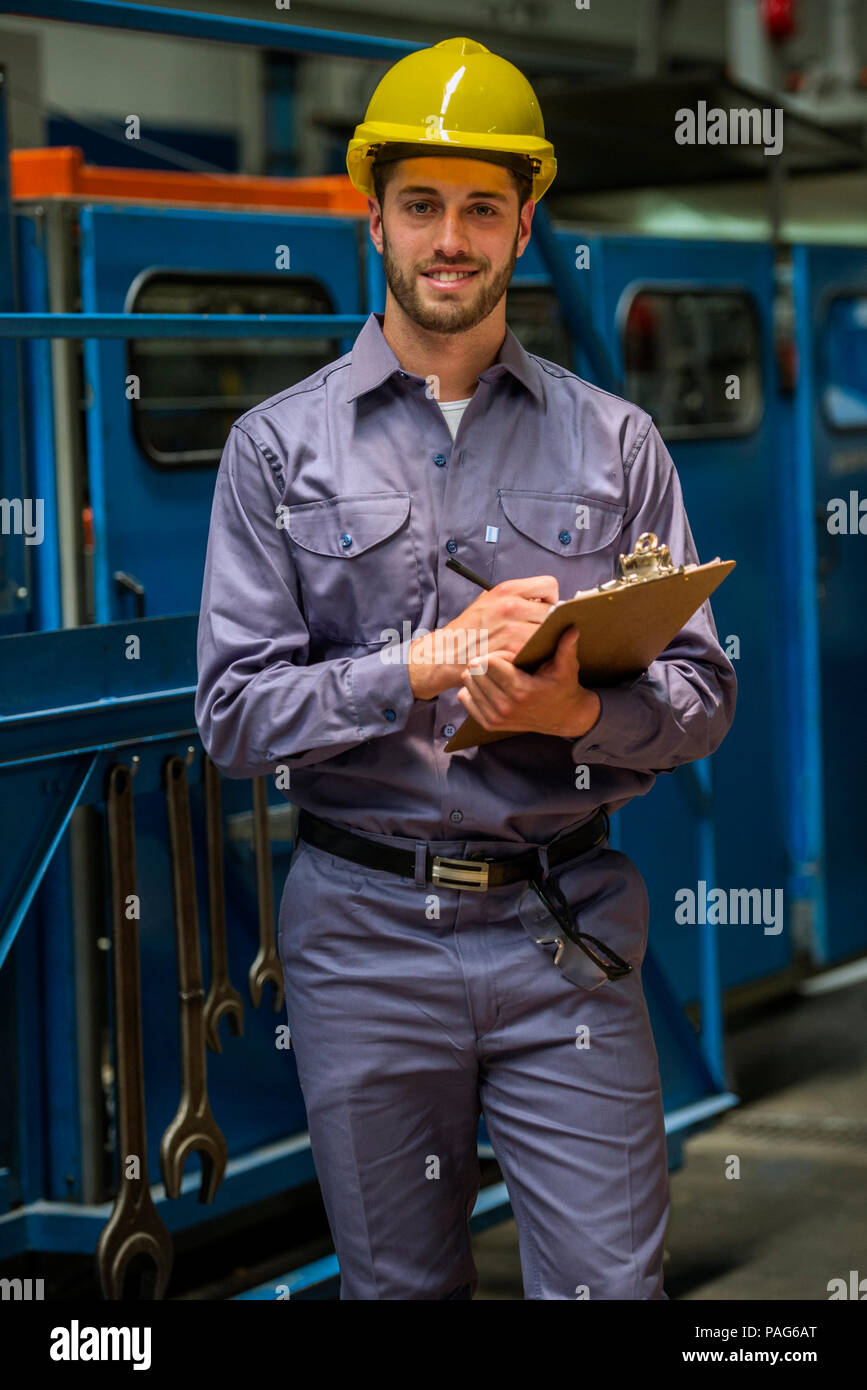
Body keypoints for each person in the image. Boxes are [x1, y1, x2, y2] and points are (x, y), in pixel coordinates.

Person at [195, 37, 737, 1300]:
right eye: (424, 205)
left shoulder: (618, 442)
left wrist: (580, 710)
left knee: (611, 1288)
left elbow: (703, 696)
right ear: (374, 213)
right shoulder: (276, 452)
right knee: (397, 1291)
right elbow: (232, 715)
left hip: (565, 933)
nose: (452, 238)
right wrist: (422, 664)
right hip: (363, 937)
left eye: (482, 208)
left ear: (523, 222)